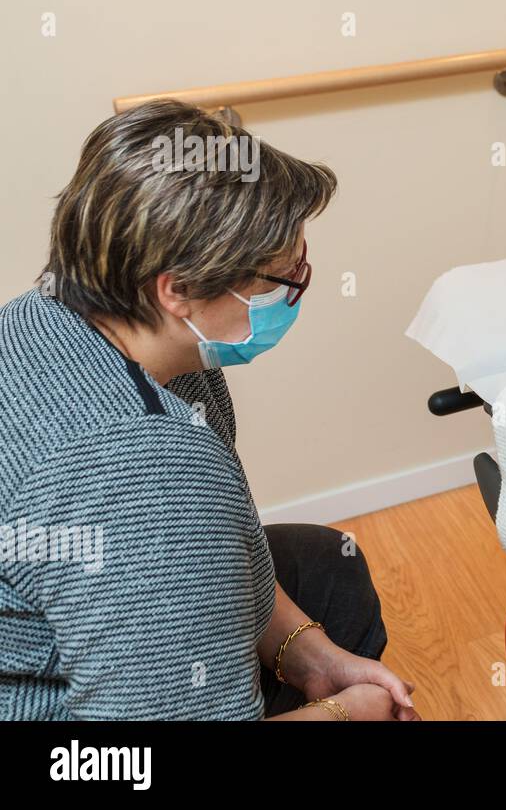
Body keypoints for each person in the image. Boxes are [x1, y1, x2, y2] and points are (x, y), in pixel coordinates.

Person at [0, 100, 418, 719]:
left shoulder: (58, 317)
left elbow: (226, 547)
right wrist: (345, 715)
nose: (292, 291)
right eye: (281, 279)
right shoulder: (145, 473)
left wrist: (309, 654)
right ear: (178, 291)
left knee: (326, 565)